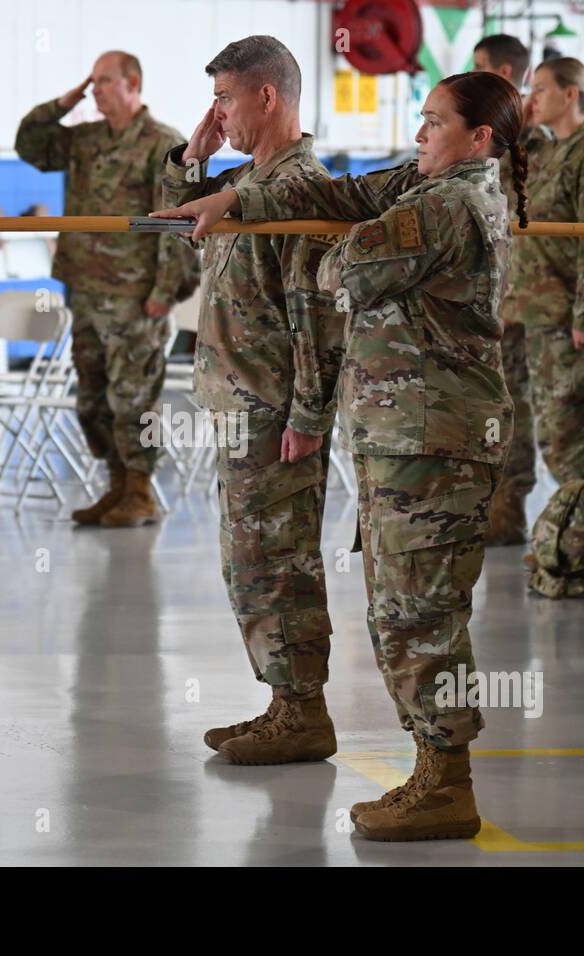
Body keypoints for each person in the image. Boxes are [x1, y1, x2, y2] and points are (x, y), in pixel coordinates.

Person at [155, 70, 527, 841]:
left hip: (434, 441)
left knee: (419, 615)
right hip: (411, 437)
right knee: (404, 610)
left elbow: (341, 270)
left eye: (434, 123)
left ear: (479, 137)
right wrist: (238, 199)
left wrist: (341, 239)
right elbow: (347, 198)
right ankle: (434, 769)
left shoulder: (447, 203)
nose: (420, 134)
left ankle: (445, 780)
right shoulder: (429, 187)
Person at [161, 36, 345, 764]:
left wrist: (307, 414)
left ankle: (303, 709)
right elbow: (178, 225)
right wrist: (194, 160)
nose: (219, 112)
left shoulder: (301, 185)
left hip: (274, 408)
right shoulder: (248, 180)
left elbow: (317, 312)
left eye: (227, 98)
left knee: (282, 558)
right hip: (239, 403)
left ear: (268, 97)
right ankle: (284, 700)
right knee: (250, 559)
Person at [15, 51, 199, 527]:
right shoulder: (85, 139)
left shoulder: (163, 144)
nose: (94, 89)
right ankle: (116, 485)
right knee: (92, 397)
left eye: (103, 81)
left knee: (133, 398)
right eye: (91, 82)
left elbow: (177, 224)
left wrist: (166, 290)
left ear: (133, 83)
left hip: (136, 297)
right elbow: (29, 145)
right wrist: (64, 100)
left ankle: (140, 492)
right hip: (86, 288)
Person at [502, 57, 584, 486]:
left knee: (570, 440)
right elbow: (504, 186)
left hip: (568, 320)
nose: (531, 98)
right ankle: (575, 540)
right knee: (549, 435)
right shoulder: (549, 151)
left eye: (540, 90)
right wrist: (519, 128)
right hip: (535, 310)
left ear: (570, 95)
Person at [472, 33, 549, 545]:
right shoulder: (490, 138)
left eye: (479, 67)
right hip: (491, 297)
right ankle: (494, 509)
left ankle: (509, 510)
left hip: (527, 297)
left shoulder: (535, 143)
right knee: (492, 404)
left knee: (520, 405)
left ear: (502, 73)